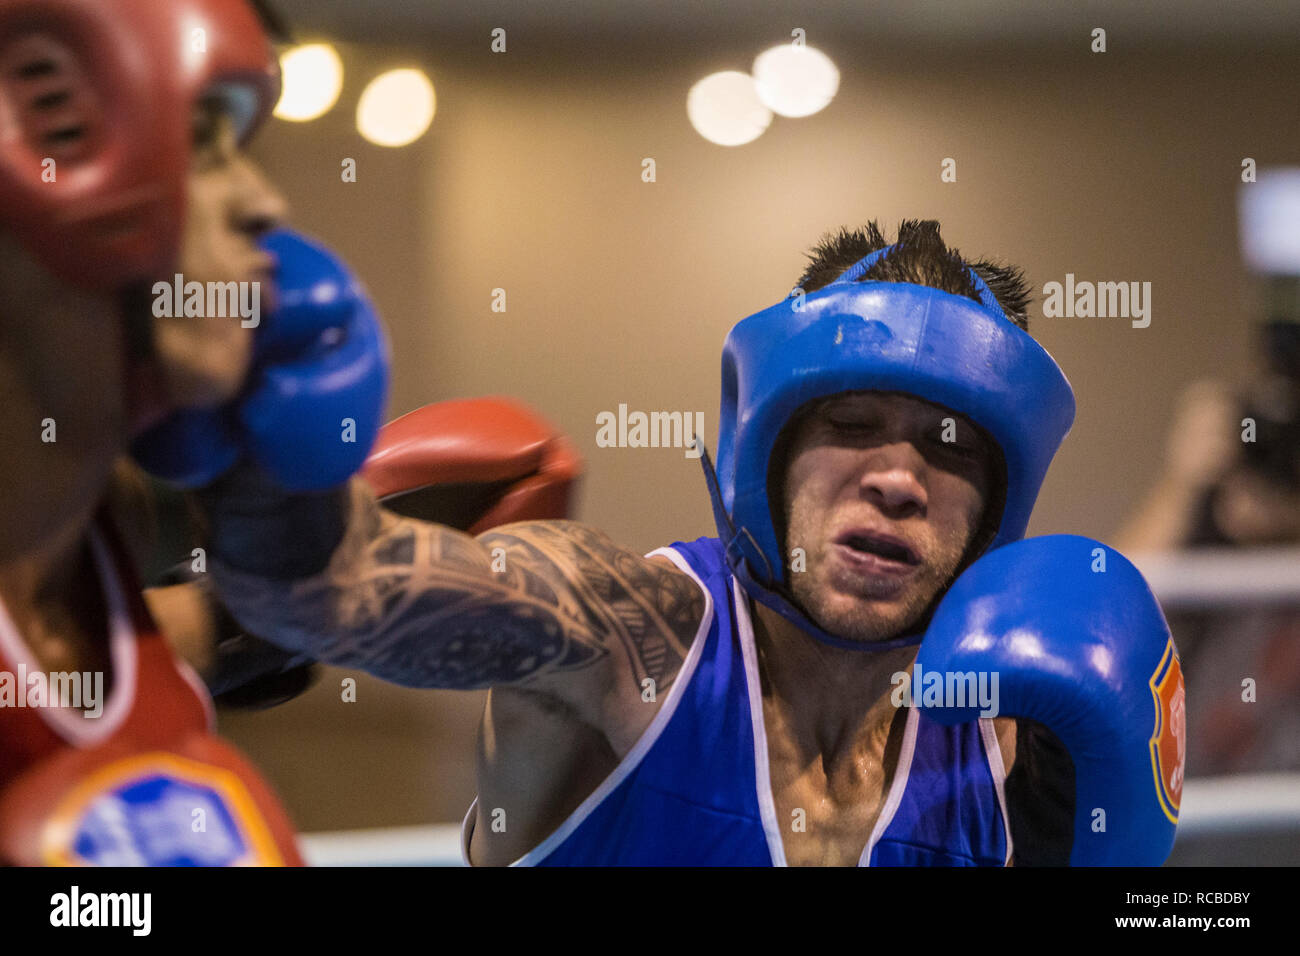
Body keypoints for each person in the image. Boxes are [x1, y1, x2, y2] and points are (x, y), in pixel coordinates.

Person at [193, 219, 1187, 866]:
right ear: (769, 448)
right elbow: (354, 588)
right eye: (849, 424)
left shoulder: (1010, 730)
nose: (895, 475)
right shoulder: (632, 632)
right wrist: (276, 526)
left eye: (950, 444)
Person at [0, 0, 385, 865]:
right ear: (50, 153)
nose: (264, 202)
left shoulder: (86, 585)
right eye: (205, 145)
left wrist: (300, 574)